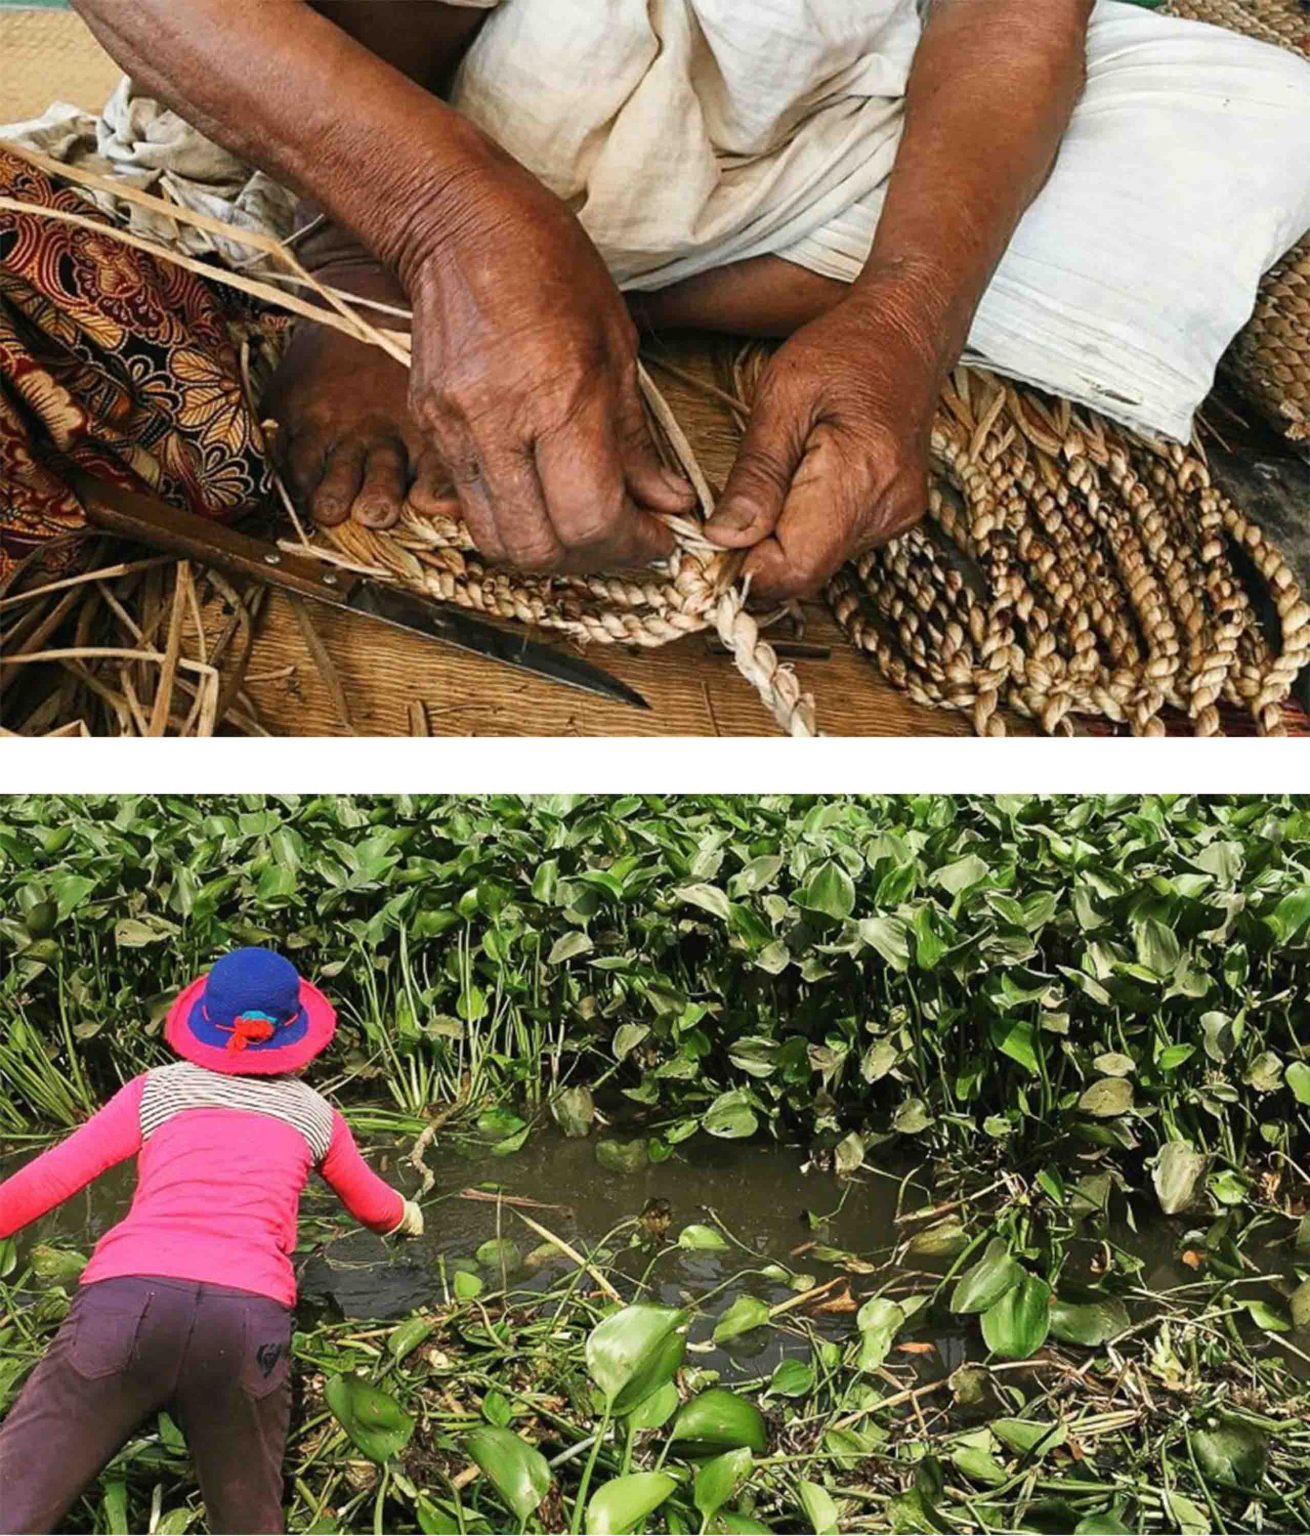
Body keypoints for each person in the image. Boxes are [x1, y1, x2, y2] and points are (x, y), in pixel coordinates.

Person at [5, 1, 1309, 596]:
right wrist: (434, 221)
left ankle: (595, 266)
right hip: (392, 62)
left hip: (792, 68)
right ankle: (351, 231)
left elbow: (1010, 23)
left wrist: (911, 312)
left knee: (1242, 139)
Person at [0, 947, 424, 1536]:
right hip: (244, 1322)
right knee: (247, 1521)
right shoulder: (315, 1115)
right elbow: (374, 1208)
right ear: (294, 1031)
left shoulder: (156, 1091)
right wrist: (408, 1215)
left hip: (124, 1307)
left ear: (206, 1022)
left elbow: (49, 1178)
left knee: (12, 1504)